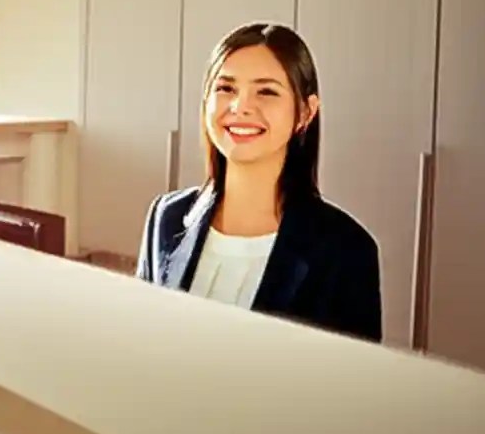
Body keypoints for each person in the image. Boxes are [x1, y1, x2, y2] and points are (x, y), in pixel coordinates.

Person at [135, 22, 382, 342]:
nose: (241, 107)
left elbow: (355, 386)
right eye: (226, 88)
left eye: (266, 91)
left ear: (306, 113)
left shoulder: (346, 250)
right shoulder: (166, 218)